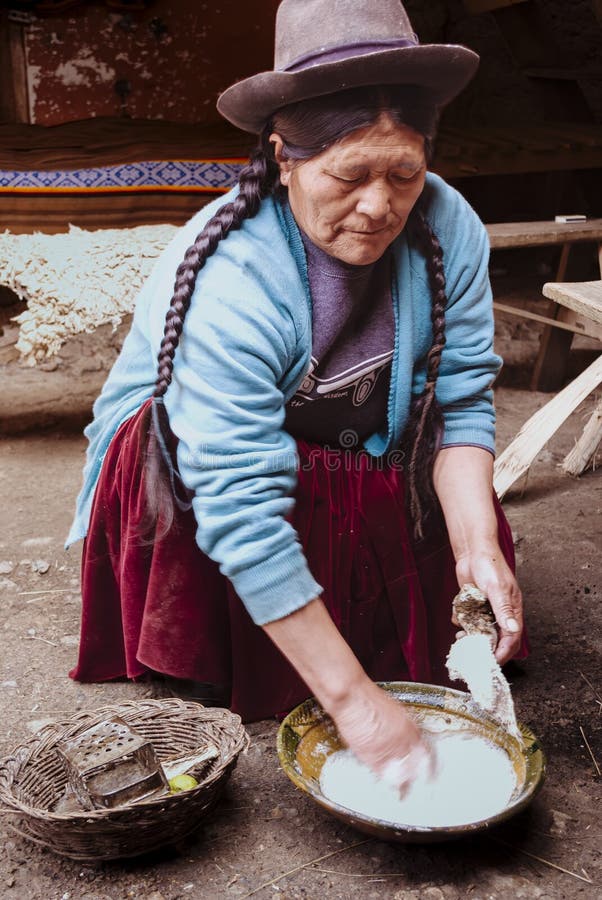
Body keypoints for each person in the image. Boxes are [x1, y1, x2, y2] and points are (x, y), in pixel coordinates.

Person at [67, 0, 526, 787]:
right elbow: (241, 501)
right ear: (284, 158)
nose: (379, 205)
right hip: (206, 464)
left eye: (404, 173)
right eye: (348, 175)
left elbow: (460, 401)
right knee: (258, 491)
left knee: (409, 501)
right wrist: (354, 704)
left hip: (356, 435)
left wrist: (476, 543)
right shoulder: (232, 278)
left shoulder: (453, 227)